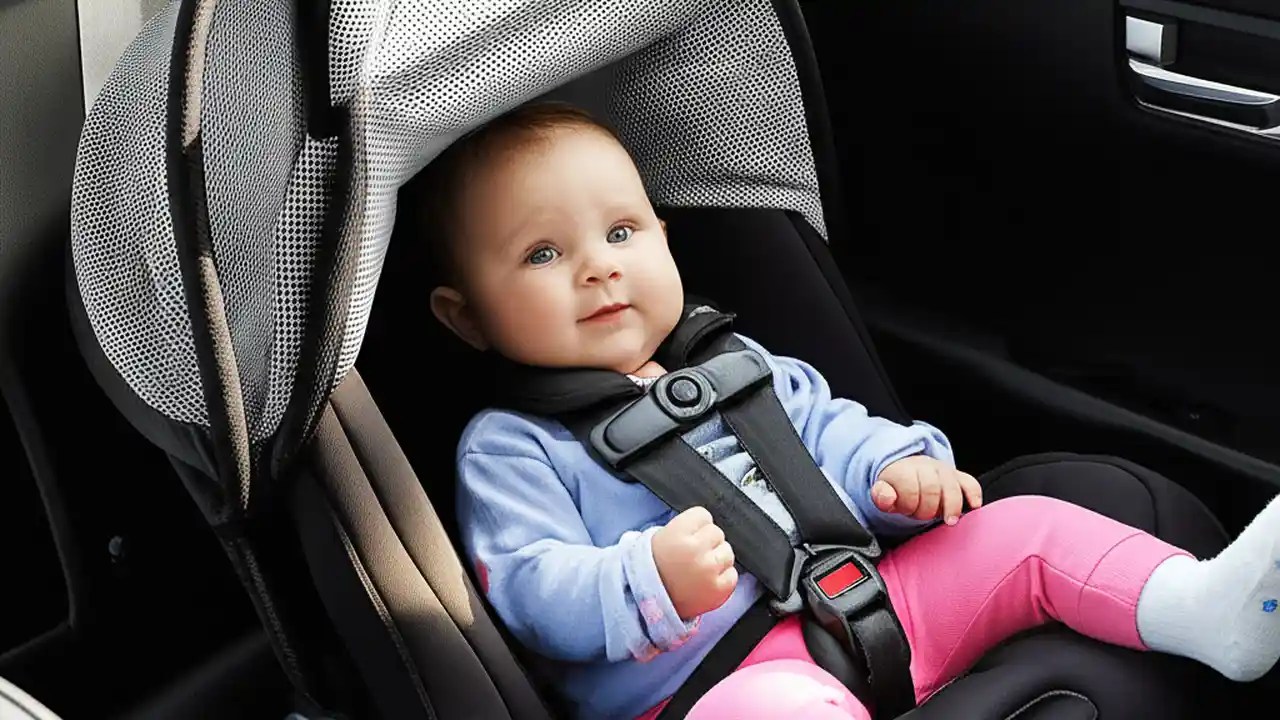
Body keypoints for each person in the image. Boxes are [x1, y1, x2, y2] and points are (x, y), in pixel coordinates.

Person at [410, 101, 1280, 720]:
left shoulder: (735, 365)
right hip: (707, 685)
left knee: (1028, 532)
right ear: (466, 317)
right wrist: (647, 580)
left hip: (876, 599)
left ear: (665, 241)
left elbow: (835, 432)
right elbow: (529, 587)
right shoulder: (511, 447)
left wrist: (899, 470)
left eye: (623, 233)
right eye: (543, 252)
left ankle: (1206, 611)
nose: (597, 268)